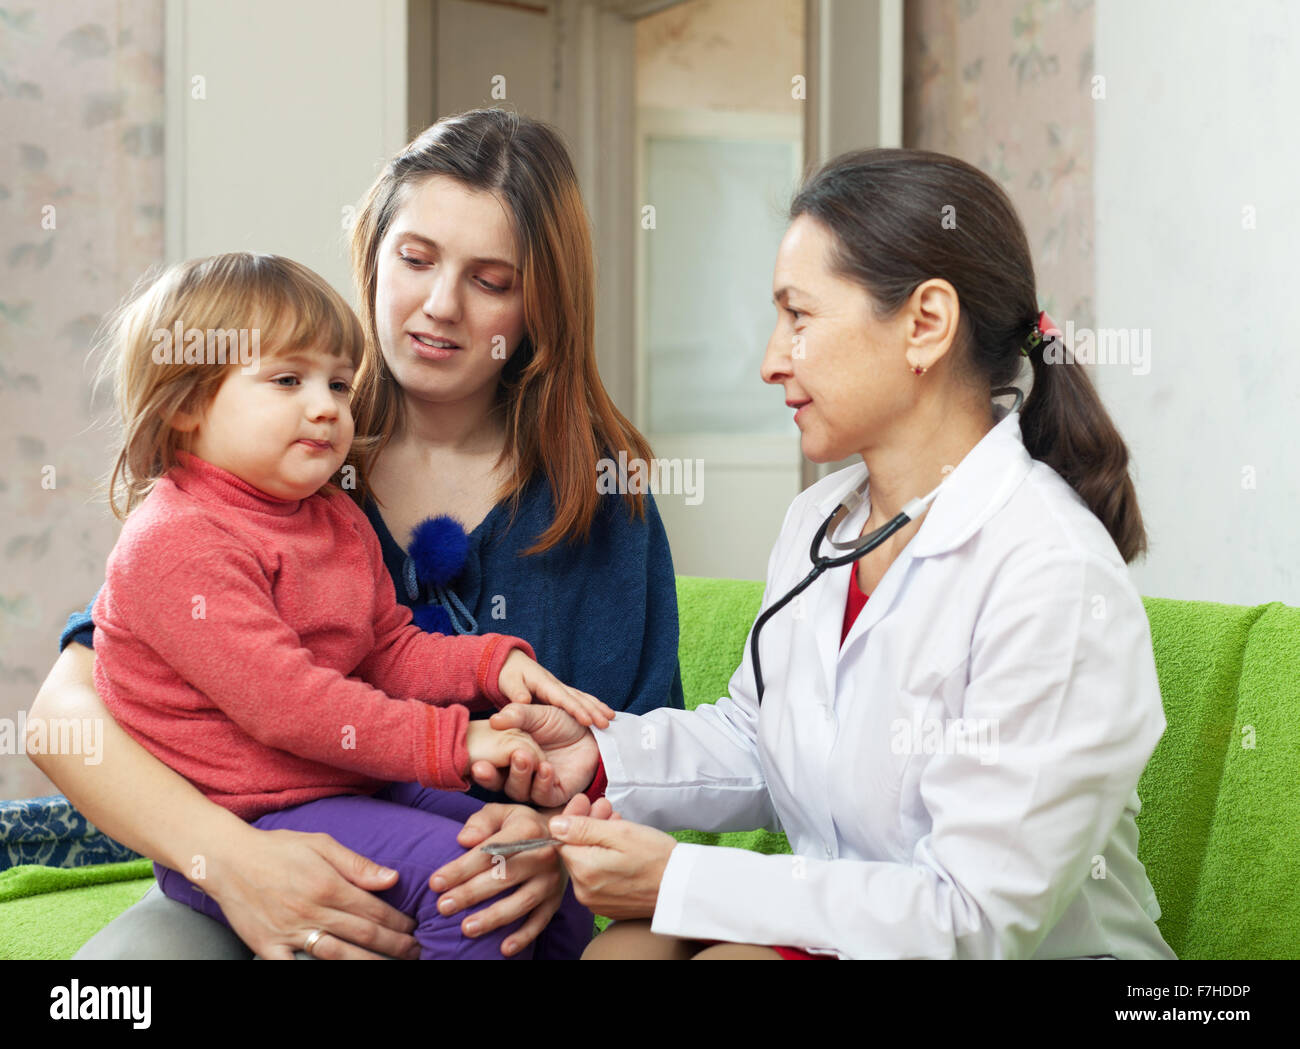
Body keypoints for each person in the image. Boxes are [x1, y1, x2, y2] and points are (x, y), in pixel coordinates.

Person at [480, 147, 1179, 960]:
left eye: (799, 317)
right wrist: (598, 756)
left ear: (925, 324)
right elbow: (764, 736)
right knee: (624, 951)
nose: (772, 359)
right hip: (854, 927)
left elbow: (973, 917)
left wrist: (683, 877)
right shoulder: (823, 520)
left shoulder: (1050, 572)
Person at [28, 109, 683, 960]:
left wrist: (548, 850)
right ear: (372, 251)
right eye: (415, 259)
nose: (440, 306)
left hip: (475, 886)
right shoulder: (270, 461)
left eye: (491, 281)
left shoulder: (599, 503)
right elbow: (61, 717)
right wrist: (234, 862)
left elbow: (647, 766)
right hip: (241, 866)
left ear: (539, 306)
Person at [85, 251, 618, 959]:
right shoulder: (176, 539)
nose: (326, 406)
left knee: (535, 866)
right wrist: (460, 740)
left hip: (349, 787)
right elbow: (290, 703)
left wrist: (492, 664)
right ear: (185, 404)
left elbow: (388, 647)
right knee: (475, 883)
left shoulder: (330, 514)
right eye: (287, 379)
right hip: (252, 819)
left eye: (339, 383)